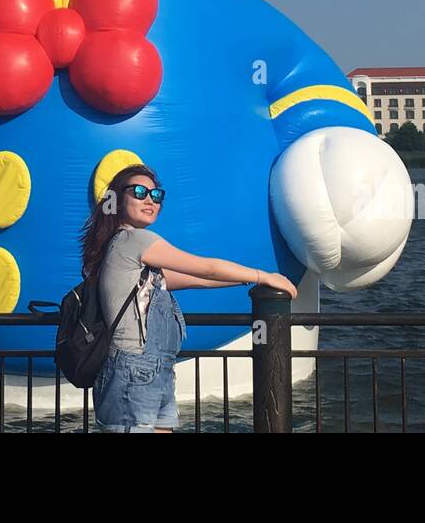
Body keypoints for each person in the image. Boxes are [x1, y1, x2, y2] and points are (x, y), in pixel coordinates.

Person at [80, 164, 298, 432]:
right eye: (139, 192)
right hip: (132, 369)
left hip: (156, 370)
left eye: (156, 195)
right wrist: (263, 276)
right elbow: (204, 266)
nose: (150, 200)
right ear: (117, 198)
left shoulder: (141, 262)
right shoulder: (133, 240)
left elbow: (200, 279)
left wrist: (249, 279)